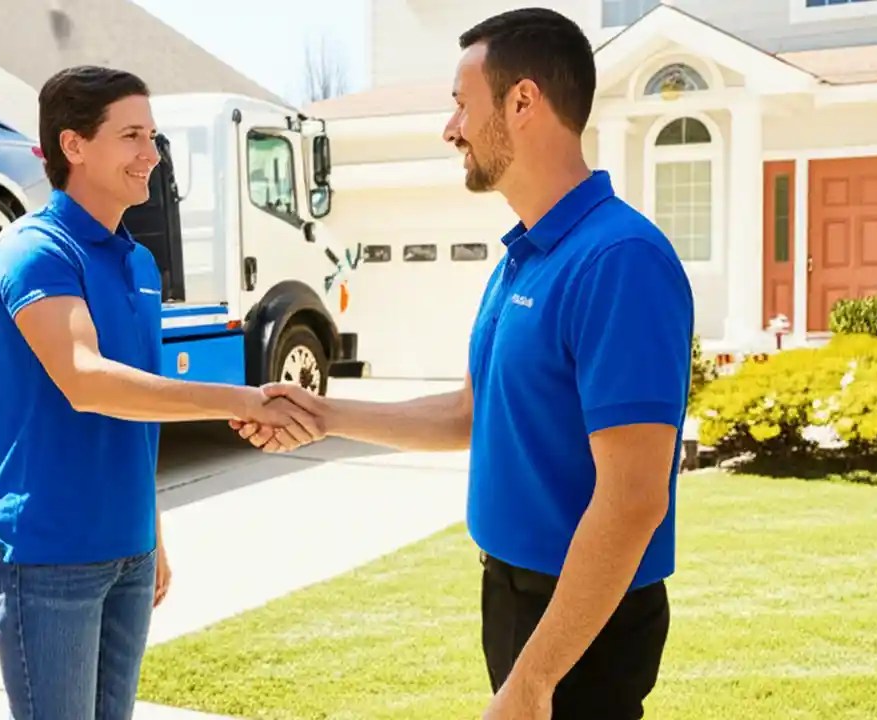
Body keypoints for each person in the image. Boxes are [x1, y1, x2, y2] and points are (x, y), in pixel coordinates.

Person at [236, 8, 693, 720]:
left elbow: (634, 499)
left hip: (582, 624)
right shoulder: (523, 258)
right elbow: (470, 413)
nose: (450, 128)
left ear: (522, 102)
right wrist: (324, 415)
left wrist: (536, 679)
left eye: (460, 103)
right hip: (513, 599)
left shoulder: (618, 261)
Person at [0, 65, 321, 720]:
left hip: (128, 550)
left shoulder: (137, 262)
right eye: (133, 135)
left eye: (154, 137)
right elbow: (84, 380)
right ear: (73, 145)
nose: (152, 155)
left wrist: (152, 531)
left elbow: (134, 410)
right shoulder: (35, 251)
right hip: (49, 556)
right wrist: (239, 400)